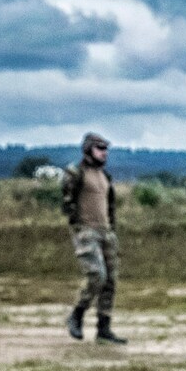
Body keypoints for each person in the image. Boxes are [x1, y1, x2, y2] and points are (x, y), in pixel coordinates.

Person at [59, 132, 123, 345]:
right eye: (99, 149)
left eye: (105, 149)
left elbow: (110, 204)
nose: (104, 153)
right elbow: (67, 202)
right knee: (97, 275)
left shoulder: (105, 176)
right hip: (86, 231)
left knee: (110, 281)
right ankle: (77, 315)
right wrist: (77, 226)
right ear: (88, 150)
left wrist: (111, 228)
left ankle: (104, 328)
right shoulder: (76, 173)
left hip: (106, 231)